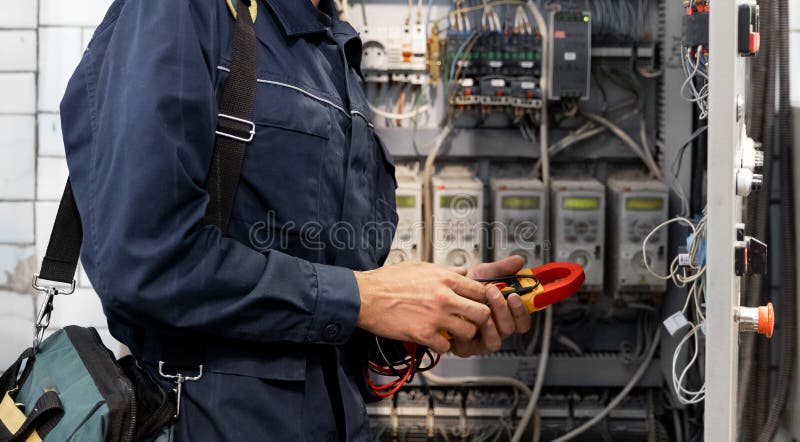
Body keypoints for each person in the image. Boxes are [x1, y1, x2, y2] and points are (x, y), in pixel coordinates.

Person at [60, 0, 532, 439]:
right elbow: (146, 262)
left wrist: (432, 312)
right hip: (206, 421)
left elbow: (318, 297)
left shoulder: (333, 48)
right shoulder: (185, 12)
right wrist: (365, 298)